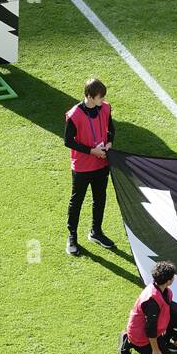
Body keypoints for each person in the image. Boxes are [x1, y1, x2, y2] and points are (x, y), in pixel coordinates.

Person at [64, 77, 118, 256]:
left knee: (100, 198)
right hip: (82, 166)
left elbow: (111, 128)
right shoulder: (74, 114)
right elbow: (68, 141)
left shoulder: (105, 108)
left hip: (101, 163)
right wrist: (91, 151)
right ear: (89, 96)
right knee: (76, 202)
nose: (102, 101)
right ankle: (72, 237)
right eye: (99, 98)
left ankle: (96, 232)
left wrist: (109, 143)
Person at [119, 261, 177, 354]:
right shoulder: (152, 300)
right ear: (168, 281)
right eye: (173, 276)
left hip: (154, 330)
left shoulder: (166, 291)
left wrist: (176, 337)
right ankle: (128, 340)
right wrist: (155, 351)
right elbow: (150, 328)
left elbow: (171, 313)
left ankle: (164, 342)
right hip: (140, 336)